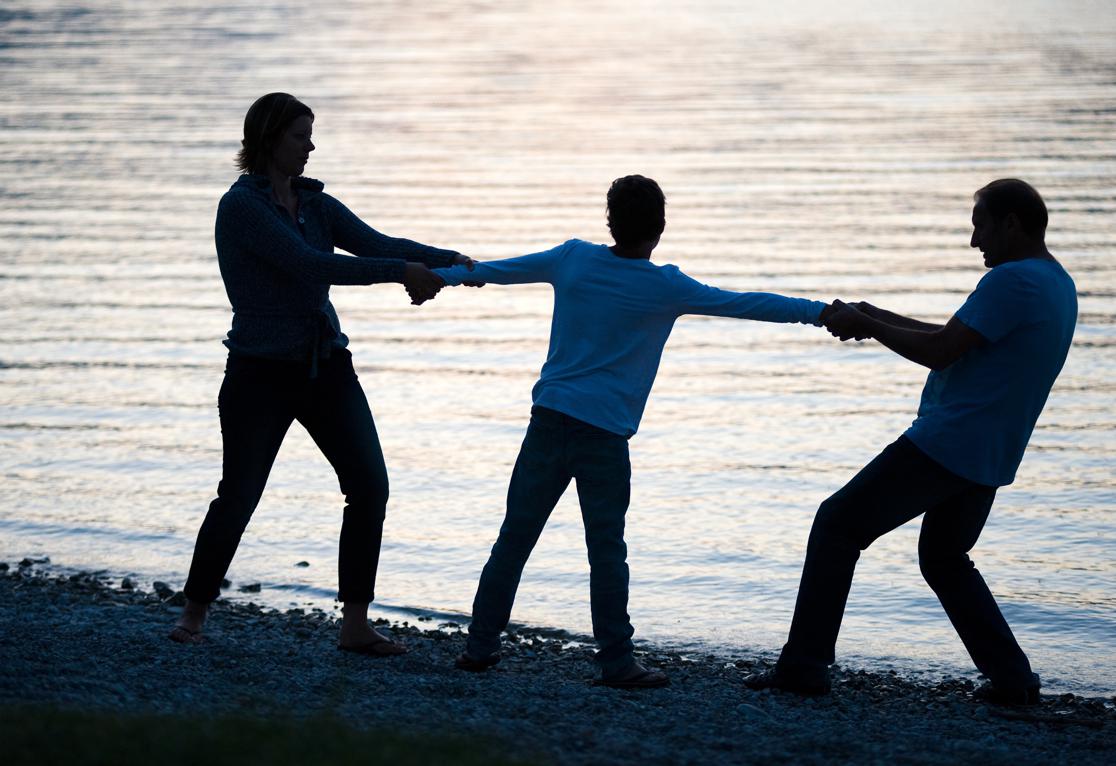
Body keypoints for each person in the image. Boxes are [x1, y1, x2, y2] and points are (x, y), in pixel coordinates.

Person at [430, 175, 834, 688]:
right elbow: (749, 303)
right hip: (602, 436)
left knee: (514, 539)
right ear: (660, 229)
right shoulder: (666, 286)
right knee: (606, 549)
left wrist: (435, 277)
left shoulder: (572, 258)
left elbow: (490, 271)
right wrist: (821, 312)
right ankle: (617, 662)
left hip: (549, 421)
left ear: (610, 222)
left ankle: (479, 649)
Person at [745, 179, 1077, 705]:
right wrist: (873, 316)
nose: (975, 242)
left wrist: (869, 327)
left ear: (1012, 223)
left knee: (837, 524)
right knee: (944, 557)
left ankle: (804, 666)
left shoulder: (1014, 281)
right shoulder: (1056, 282)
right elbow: (958, 336)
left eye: (981, 226)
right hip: (991, 451)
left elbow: (941, 351)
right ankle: (1012, 679)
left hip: (950, 442)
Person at [170, 92, 471, 654]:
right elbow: (311, 264)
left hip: (325, 365)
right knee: (238, 495)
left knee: (369, 487)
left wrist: (447, 260)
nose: (310, 146)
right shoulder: (241, 208)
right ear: (267, 140)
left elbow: (373, 243)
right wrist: (402, 272)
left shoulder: (315, 204)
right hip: (259, 373)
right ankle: (194, 613)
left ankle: (354, 626)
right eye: (299, 136)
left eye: (311, 134)